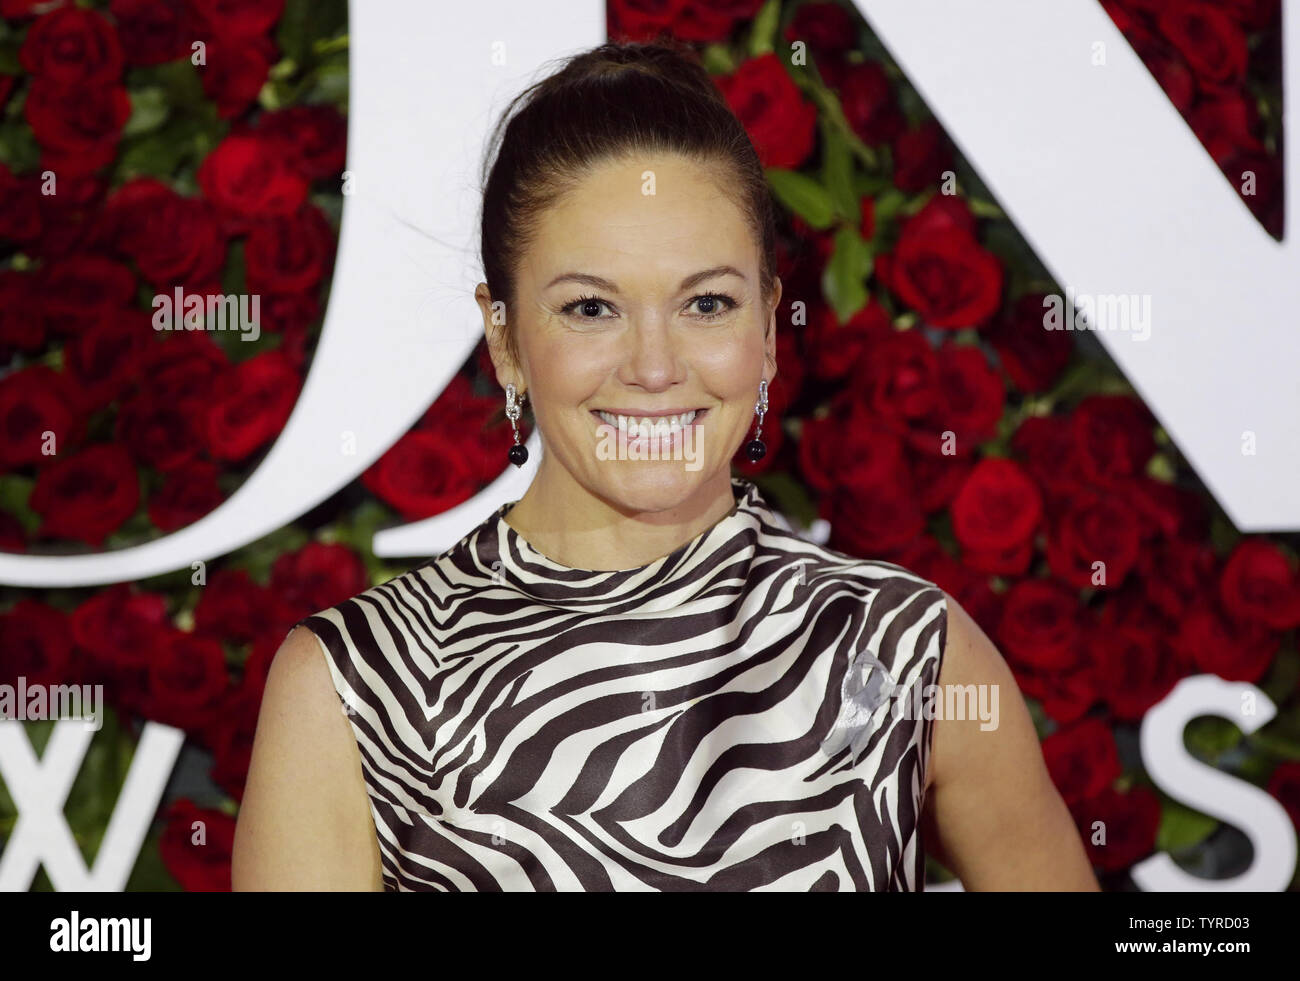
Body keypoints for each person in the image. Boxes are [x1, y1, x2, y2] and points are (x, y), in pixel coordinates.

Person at [232, 40, 1099, 892]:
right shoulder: (353, 689)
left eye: (707, 302)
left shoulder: (905, 652)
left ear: (766, 329)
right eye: (591, 306)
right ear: (503, 339)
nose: (654, 365)